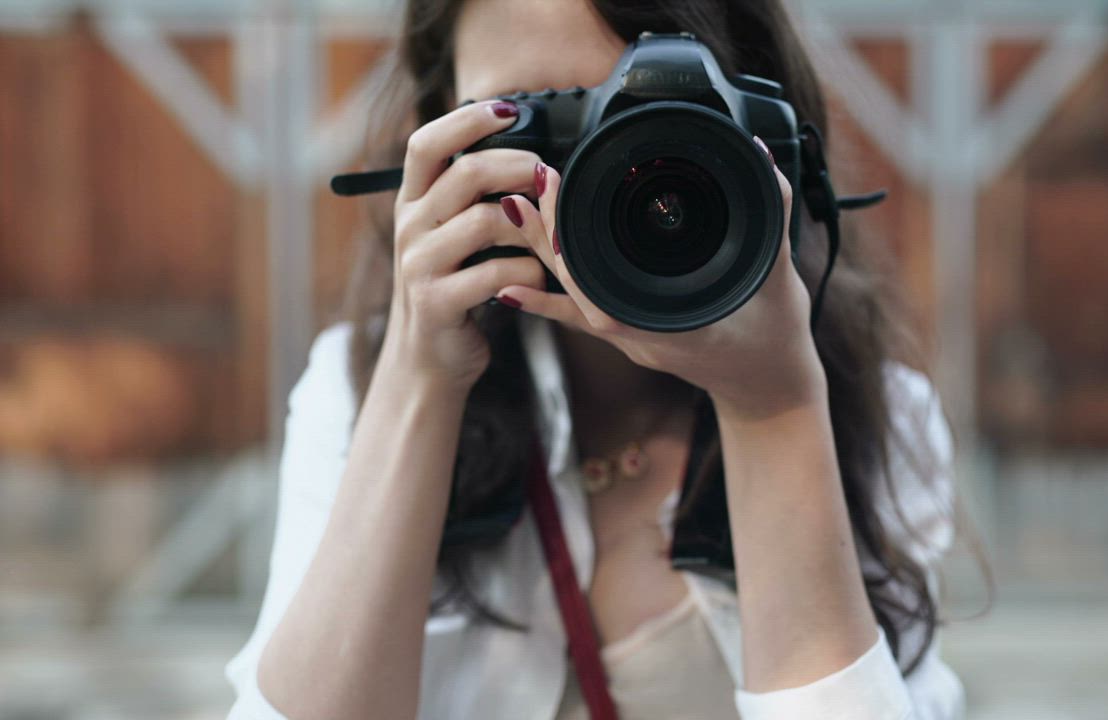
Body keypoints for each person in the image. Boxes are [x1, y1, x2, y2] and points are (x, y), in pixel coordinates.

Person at [225, 0, 966, 718]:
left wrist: (774, 408)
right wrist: (419, 383)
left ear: (773, 145)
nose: (613, 173)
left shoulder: (873, 414)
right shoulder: (352, 393)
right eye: (541, 114)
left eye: (656, 126)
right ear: (439, 137)